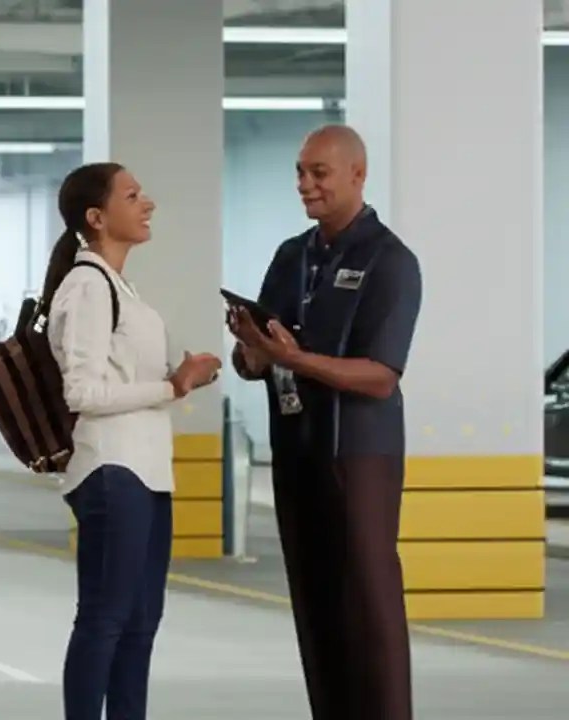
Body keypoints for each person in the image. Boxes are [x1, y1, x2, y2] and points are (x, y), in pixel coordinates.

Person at [227, 123, 422, 720]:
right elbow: (255, 359)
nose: (304, 184)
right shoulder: (292, 257)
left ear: (358, 175)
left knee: (367, 602)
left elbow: (381, 375)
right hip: (297, 451)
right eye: (300, 172)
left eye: (319, 173)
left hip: (359, 457)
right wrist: (254, 352)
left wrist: (294, 358)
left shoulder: (390, 261)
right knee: (314, 602)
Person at [43, 161, 222, 720]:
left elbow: (122, 379)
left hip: (147, 472)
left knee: (141, 623)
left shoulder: (121, 287)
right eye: (132, 195)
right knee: (104, 618)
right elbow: (83, 392)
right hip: (111, 470)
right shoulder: (88, 286)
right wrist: (171, 384)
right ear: (97, 217)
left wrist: (183, 374)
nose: (147, 203)